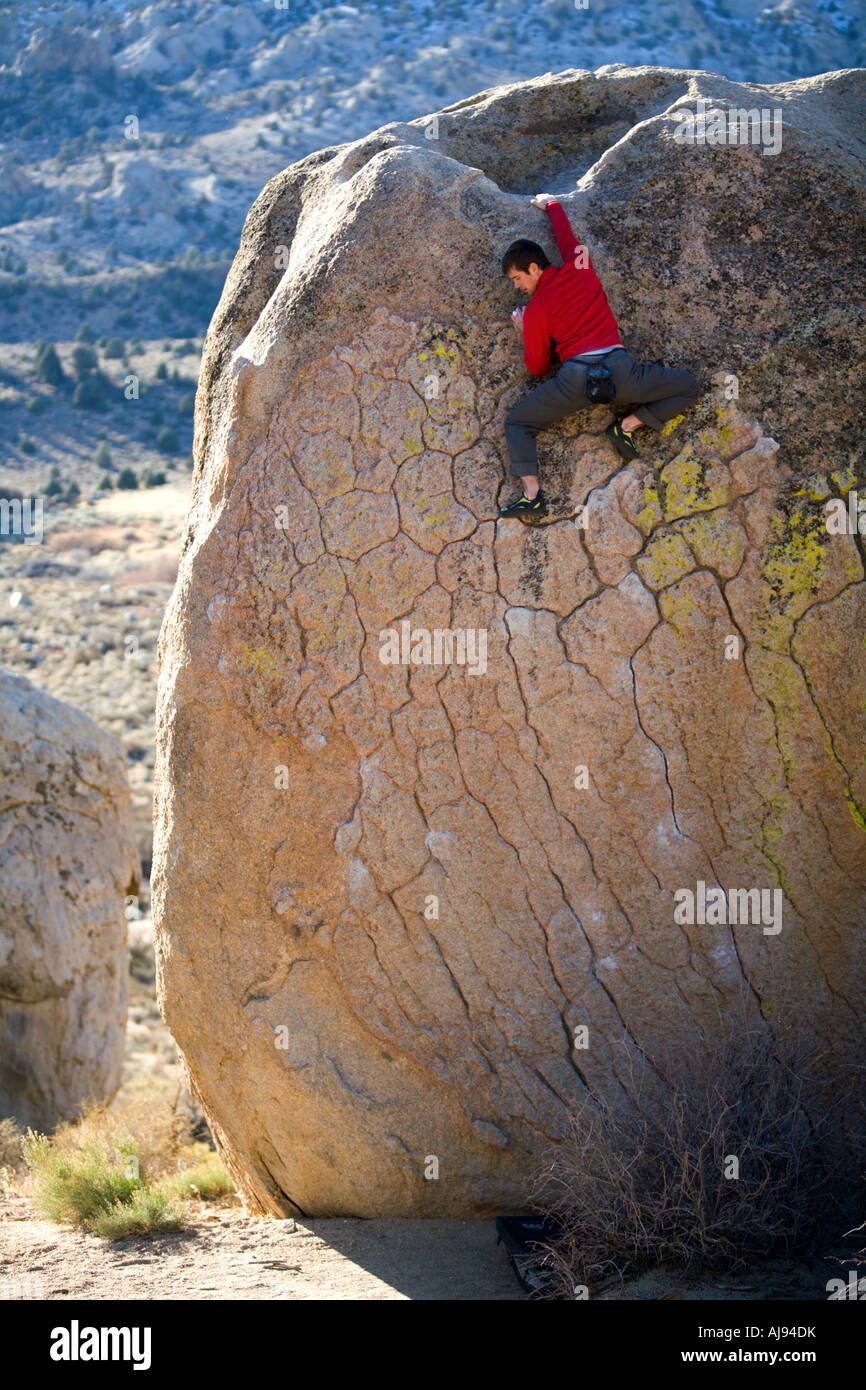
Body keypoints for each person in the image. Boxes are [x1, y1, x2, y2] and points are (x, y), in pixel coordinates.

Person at [498, 194, 702, 523]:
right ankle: (627, 426)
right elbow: (568, 240)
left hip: (576, 381)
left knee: (518, 422)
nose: (518, 286)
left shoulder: (535, 309)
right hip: (623, 373)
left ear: (534, 268)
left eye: (518, 278)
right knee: (689, 387)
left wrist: (526, 329)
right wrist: (553, 206)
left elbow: (537, 369)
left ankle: (532, 496)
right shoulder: (581, 267)